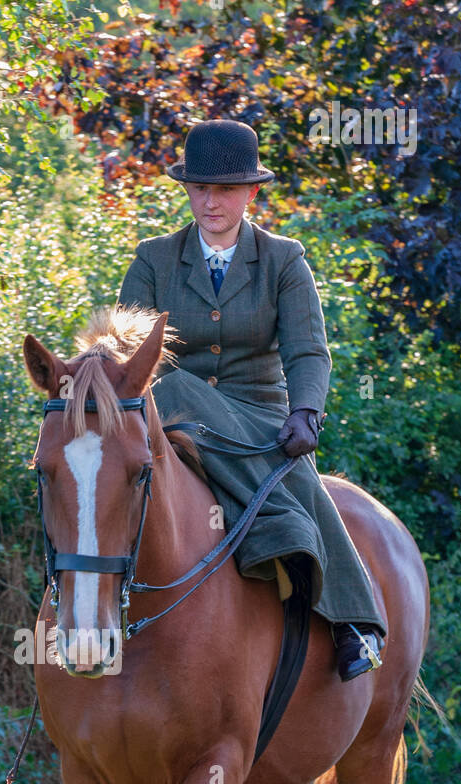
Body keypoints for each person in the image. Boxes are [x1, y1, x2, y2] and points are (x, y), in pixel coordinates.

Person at [118, 118, 385, 682]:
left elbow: (308, 352)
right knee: (125, 446)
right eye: (199, 188)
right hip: (173, 415)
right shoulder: (153, 259)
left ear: (252, 192)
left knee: (305, 478)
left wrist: (305, 412)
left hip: (262, 417)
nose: (211, 202)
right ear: (187, 190)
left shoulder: (284, 259)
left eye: (226, 189)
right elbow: (127, 354)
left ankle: (355, 621)